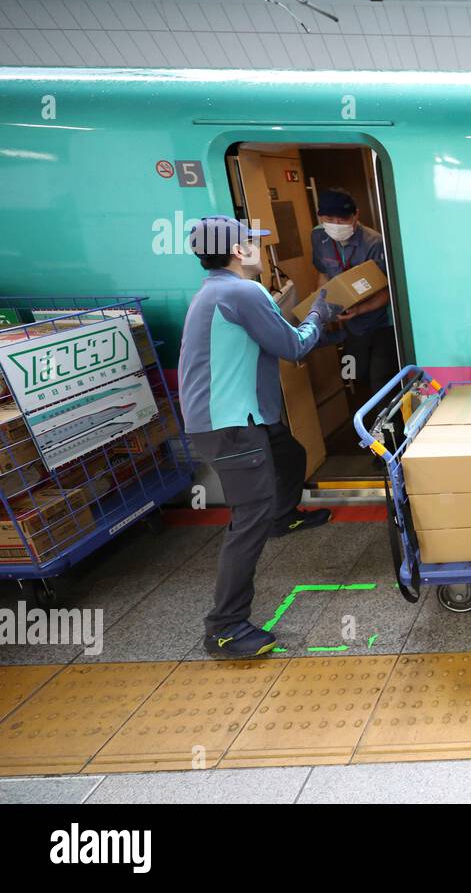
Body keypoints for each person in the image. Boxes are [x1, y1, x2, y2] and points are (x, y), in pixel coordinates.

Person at [179, 215, 342, 658]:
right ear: (236, 250)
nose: (257, 248)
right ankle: (225, 627)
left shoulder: (217, 290)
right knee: (247, 519)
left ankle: (282, 515)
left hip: (233, 416)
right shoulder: (240, 291)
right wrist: (319, 314)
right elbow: (293, 347)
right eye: (251, 242)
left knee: (289, 452)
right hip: (230, 424)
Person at [311, 188, 398, 404]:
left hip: (381, 324)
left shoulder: (374, 243)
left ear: (356, 215)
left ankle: (389, 434)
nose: (336, 225)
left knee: (381, 381)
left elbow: (387, 292)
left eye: (343, 219)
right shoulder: (318, 236)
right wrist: (321, 309)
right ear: (321, 217)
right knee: (353, 375)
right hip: (349, 328)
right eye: (330, 219)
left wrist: (359, 309)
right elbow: (323, 274)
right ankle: (362, 429)